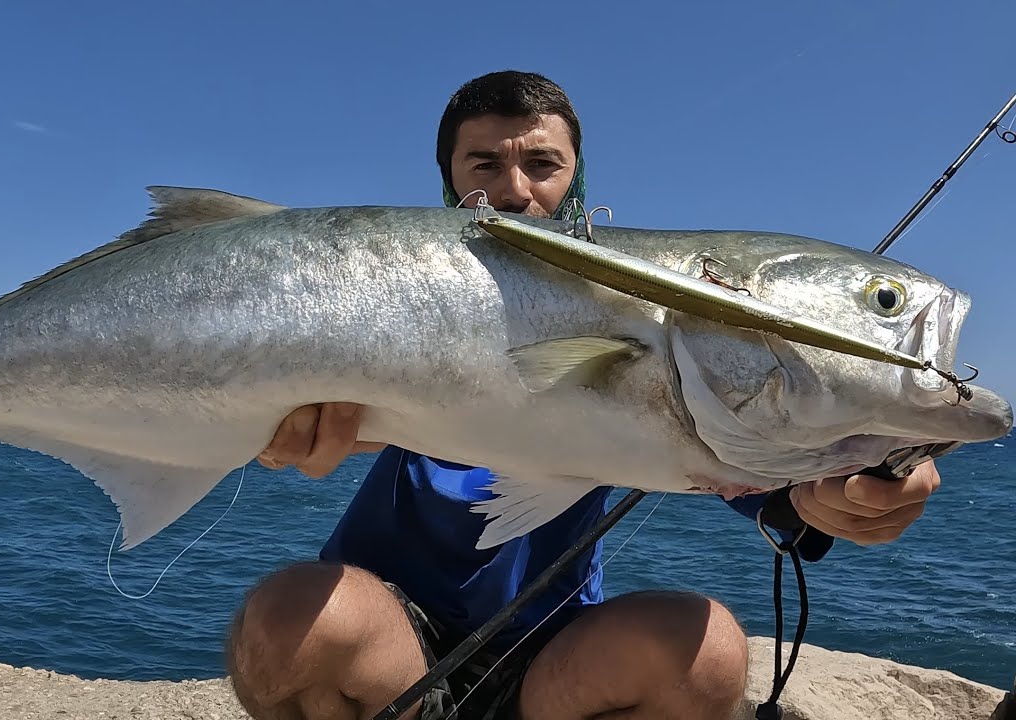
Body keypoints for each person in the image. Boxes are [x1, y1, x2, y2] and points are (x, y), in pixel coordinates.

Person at [224, 70, 944, 720]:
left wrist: (860, 475)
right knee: (290, 621)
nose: (514, 190)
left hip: (553, 656)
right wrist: (259, 425)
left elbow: (770, 476)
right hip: (388, 638)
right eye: (484, 164)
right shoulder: (393, 303)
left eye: (542, 165)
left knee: (707, 651)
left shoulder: (644, 315)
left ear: (578, 180)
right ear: (447, 182)